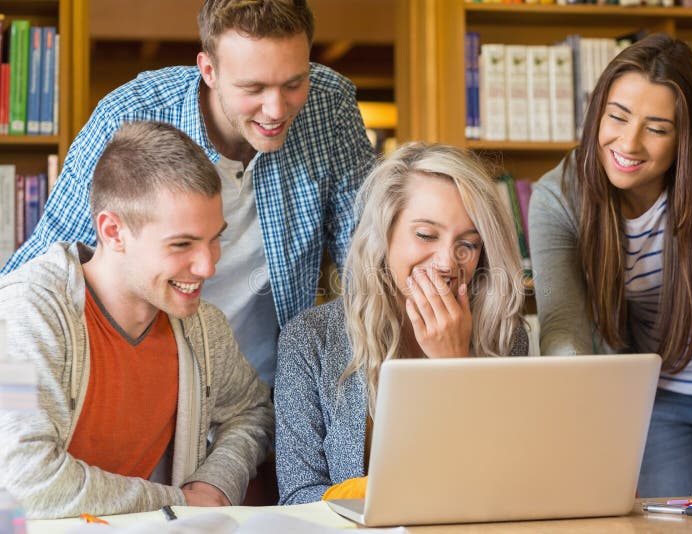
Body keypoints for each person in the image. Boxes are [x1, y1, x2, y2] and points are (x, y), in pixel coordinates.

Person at [1, 0, 376, 387]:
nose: (276, 108)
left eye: (294, 83)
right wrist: (15, 410)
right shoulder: (128, 116)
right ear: (209, 70)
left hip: (266, 393)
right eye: (253, 88)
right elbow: (42, 274)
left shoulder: (328, 105)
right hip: (137, 386)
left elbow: (367, 251)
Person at [529, 33, 692, 497]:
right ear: (597, 112)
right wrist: (580, 440)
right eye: (617, 117)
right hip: (660, 392)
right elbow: (564, 331)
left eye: (656, 128)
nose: (628, 143)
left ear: (685, 137)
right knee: (669, 522)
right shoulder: (557, 198)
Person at [0, 122, 273, 519]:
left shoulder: (203, 327)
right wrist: (179, 503)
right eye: (182, 244)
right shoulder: (26, 313)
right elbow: (24, 482)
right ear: (113, 232)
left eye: (215, 237)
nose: (208, 265)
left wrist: (214, 483)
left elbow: (252, 412)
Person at [274, 142, 530, 505]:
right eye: (426, 235)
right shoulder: (310, 338)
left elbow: (506, 485)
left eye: (468, 245)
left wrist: (453, 368)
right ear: (384, 232)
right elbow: (299, 498)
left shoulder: (504, 334)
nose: (446, 262)